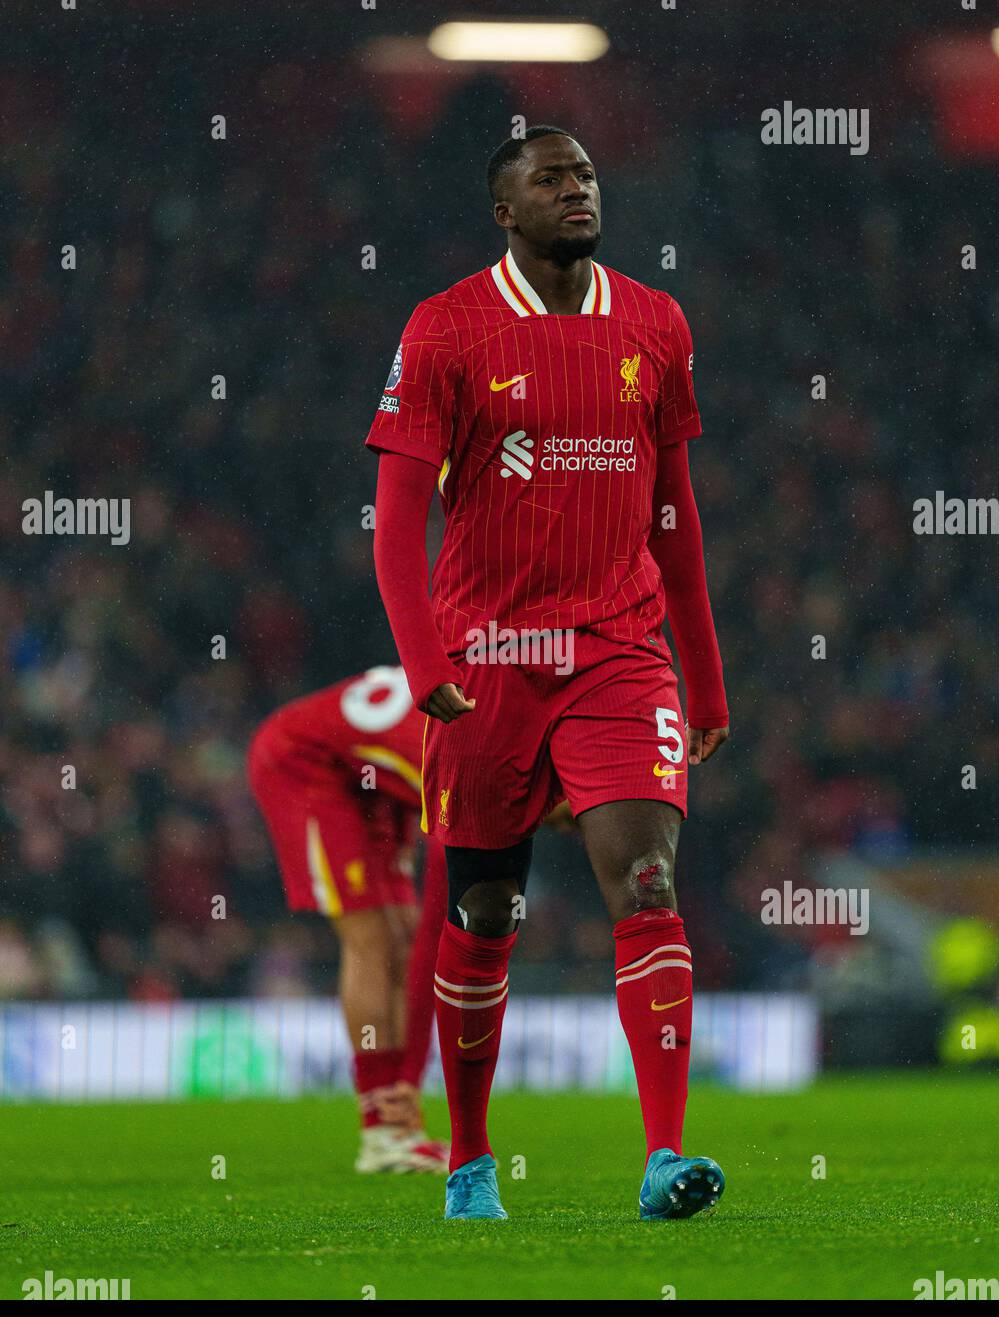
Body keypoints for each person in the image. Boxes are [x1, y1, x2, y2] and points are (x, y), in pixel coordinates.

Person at [367, 125, 730, 1221]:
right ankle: (469, 1157)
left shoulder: (655, 323)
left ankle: (663, 1154)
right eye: (550, 179)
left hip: (620, 649)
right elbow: (393, 527)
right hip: (485, 661)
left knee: (649, 879)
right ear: (505, 211)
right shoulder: (444, 328)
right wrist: (425, 664)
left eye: (585, 176)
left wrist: (702, 674)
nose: (577, 191)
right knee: (483, 911)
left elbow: (673, 513)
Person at [248, 665, 449, 1174]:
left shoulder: (465, 728)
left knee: (397, 936)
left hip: (370, 776)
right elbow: (437, 933)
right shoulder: (457, 767)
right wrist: (413, 1067)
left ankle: (401, 1125)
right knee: (374, 940)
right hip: (305, 763)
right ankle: (381, 1126)